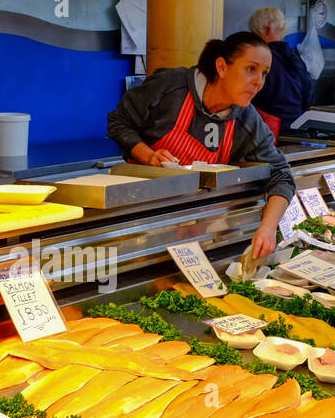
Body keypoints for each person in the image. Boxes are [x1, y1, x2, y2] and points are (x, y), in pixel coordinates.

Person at [107, 31, 296, 259]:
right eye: (251, 69)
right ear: (222, 67)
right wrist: (149, 156)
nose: (259, 82)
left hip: (195, 227)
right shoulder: (170, 87)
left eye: (264, 74)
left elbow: (282, 176)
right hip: (138, 219)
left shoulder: (247, 120)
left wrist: (267, 228)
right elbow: (118, 123)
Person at [247, 7, 313, 137]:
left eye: (254, 32)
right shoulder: (296, 59)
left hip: (269, 133)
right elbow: (308, 99)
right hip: (299, 131)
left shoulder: (260, 61)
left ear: (267, 29)